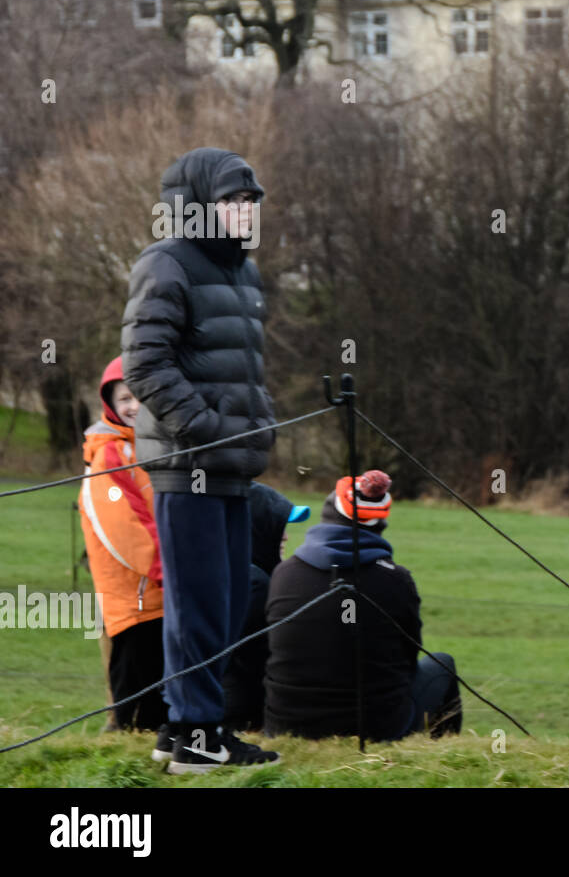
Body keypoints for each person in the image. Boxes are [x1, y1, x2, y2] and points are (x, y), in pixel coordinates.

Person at [121, 147, 280, 773]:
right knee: (199, 600)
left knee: (229, 596)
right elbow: (146, 364)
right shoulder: (164, 263)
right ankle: (194, 736)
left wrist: (257, 423)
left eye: (250, 201)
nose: (245, 212)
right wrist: (206, 428)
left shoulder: (244, 273)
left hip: (232, 467)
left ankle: (185, 727)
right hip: (187, 463)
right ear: (195, 206)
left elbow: (244, 367)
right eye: (231, 200)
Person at [262, 471, 462, 742]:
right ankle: (445, 752)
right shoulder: (396, 579)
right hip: (378, 729)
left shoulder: (284, 573)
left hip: (285, 725)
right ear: (379, 525)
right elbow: (409, 656)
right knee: (443, 664)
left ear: (328, 516)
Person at [79, 356, 165, 731]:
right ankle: (122, 745)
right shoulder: (112, 453)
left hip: (157, 592)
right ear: (110, 406)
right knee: (134, 677)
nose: (133, 406)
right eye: (124, 398)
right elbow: (123, 525)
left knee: (159, 680)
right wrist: (166, 567)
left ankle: (152, 738)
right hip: (137, 595)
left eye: (140, 396)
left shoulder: (150, 446)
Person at [221, 481, 311, 731]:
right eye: (277, 524)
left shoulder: (229, 570)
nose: (285, 535)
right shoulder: (253, 583)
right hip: (243, 716)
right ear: (255, 526)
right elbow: (266, 657)